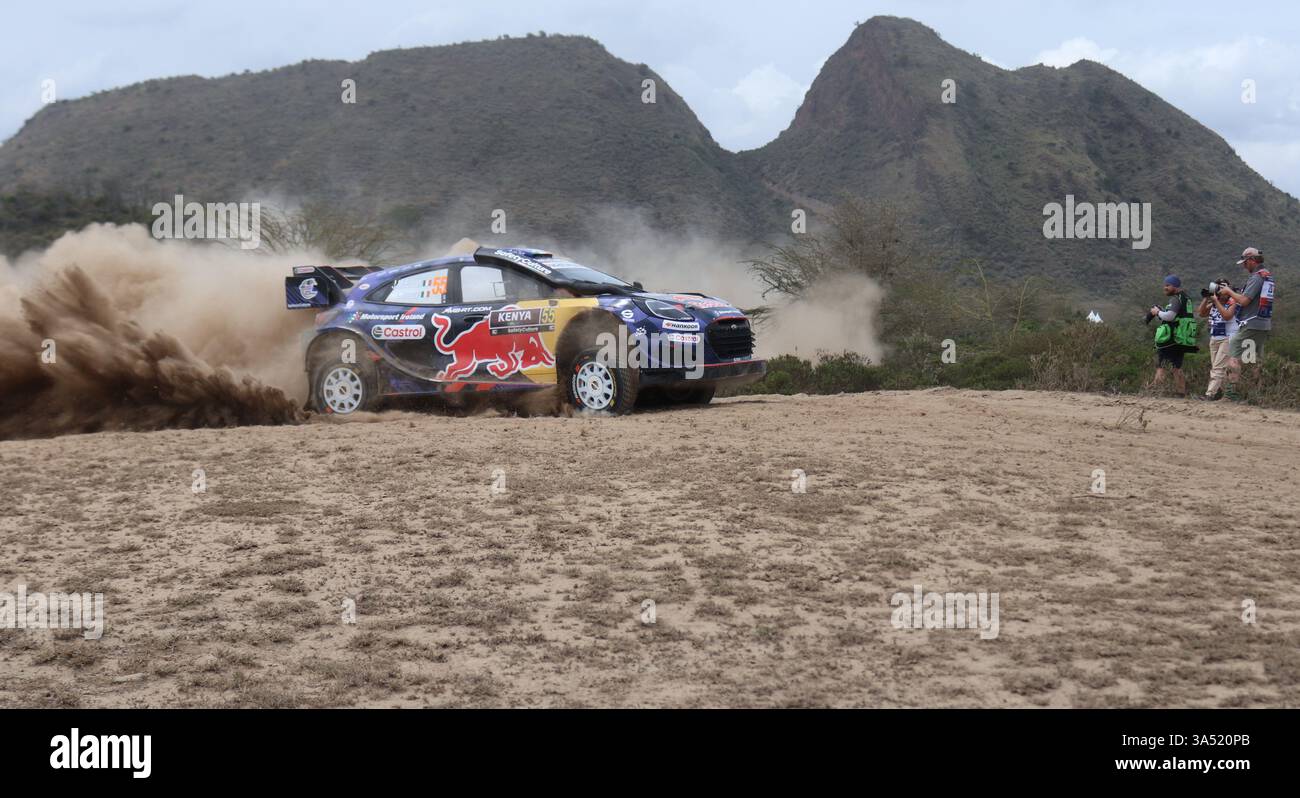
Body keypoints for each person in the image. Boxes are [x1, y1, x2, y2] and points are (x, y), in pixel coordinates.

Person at [1220, 247, 1276, 400]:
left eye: (1245, 263)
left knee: (1233, 357)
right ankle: (1255, 395)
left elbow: (1245, 301)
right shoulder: (1267, 276)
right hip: (1263, 324)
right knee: (1254, 361)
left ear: (1251, 260)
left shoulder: (1256, 277)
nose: (1244, 266)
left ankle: (1231, 394)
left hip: (1251, 323)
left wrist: (1229, 292)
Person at [1147, 275, 1198, 397]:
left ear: (1175, 286)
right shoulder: (1186, 298)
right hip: (1183, 338)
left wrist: (1157, 312)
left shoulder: (1176, 299)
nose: (1165, 288)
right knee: (1177, 367)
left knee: (1161, 366)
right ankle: (1181, 393)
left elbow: (1170, 316)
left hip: (1171, 338)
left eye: (1167, 285)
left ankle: (1153, 392)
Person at [1195, 278, 1237, 400]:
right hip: (1214, 338)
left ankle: (1210, 394)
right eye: (1218, 288)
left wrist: (1215, 302)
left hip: (1227, 338)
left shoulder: (1232, 301)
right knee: (1217, 367)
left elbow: (1227, 316)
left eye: (1222, 288)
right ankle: (1221, 393)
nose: (1220, 292)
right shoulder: (1214, 301)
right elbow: (1201, 313)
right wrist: (1207, 298)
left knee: (1217, 368)